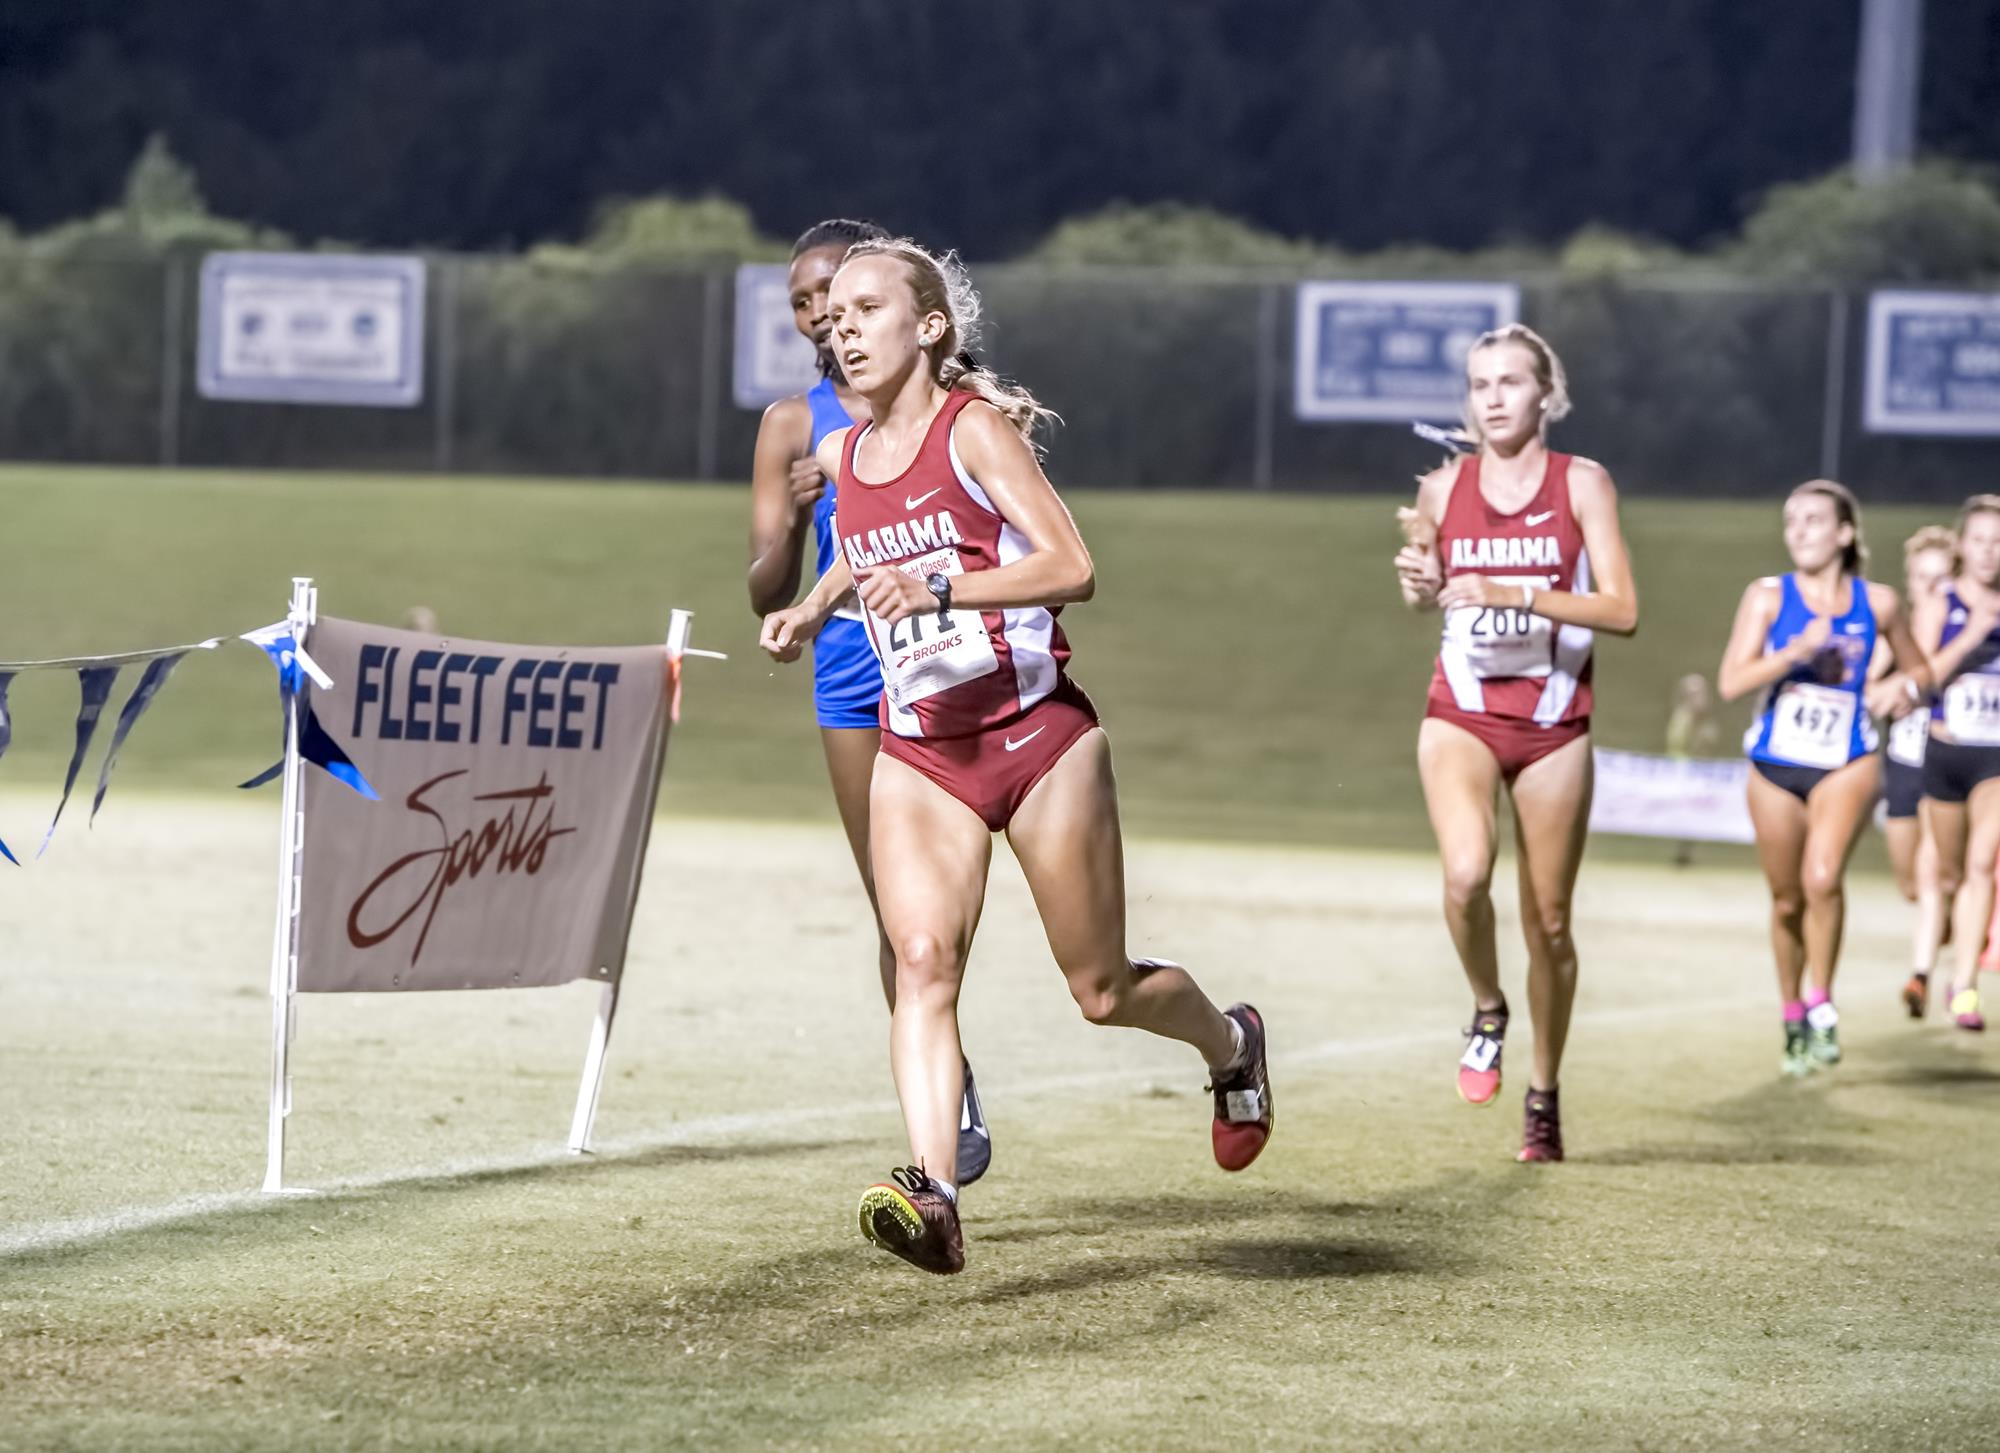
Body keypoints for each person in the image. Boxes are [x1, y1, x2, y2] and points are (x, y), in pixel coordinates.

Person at [759, 237, 1272, 1275]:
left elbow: (1070, 566)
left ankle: (1230, 1046)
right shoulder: (849, 452)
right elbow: (869, 548)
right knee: (918, 961)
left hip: (1037, 740)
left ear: (929, 327)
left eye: (867, 309)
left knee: (1100, 990)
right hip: (924, 751)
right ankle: (934, 1193)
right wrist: (816, 606)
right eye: (834, 316)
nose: (842, 327)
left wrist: (943, 591)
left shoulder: (974, 431)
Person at [746, 220, 993, 1185]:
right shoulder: (793, 423)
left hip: (959, 662)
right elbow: (765, 588)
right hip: (854, 667)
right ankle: (950, 1088)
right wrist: (803, 512)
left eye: (836, 296)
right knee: (902, 914)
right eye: (805, 302)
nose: (820, 317)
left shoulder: (949, 398)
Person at [1393, 325, 1639, 1164]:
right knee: (1466, 876)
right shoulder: (1442, 486)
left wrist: (1514, 589)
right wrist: (1420, 583)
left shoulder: (1584, 484)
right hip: (1461, 708)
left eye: (1511, 381)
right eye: (1479, 383)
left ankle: (1544, 1094)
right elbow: (1427, 592)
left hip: (1556, 720)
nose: (1493, 396)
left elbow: (1622, 609)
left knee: (1552, 921)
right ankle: (1488, 1006)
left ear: (1547, 394)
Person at [1718, 483, 1929, 1075]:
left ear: (1843, 533)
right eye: (1792, 521)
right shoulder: (1766, 597)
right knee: (1787, 899)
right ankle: (1791, 1014)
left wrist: (1900, 689)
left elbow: (1921, 674)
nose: (1800, 530)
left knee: (1822, 876)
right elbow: (1731, 682)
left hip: (1849, 757)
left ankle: (1822, 1003)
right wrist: (1794, 653)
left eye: (1814, 520)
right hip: (1776, 763)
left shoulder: (1879, 604)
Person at [1913, 495, 2000, 1033]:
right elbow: (1921, 679)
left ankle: (1965, 985)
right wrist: (1971, 638)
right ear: (1961, 545)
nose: (1990, 552)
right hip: (1946, 749)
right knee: (1947, 871)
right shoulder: (1941, 603)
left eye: (1999, 542)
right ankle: (1941, 953)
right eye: (1979, 540)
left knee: (1982, 865)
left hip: (1996, 753)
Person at [1882, 526, 1957, 1017]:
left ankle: (1925, 974)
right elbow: (1868, 689)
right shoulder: (1893, 633)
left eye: (1941, 578)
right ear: (1908, 583)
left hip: (1947, 765)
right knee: (1912, 883)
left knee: (1934, 874)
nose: (1932, 589)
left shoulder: (1968, 634)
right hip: (1903, 762)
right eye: (1922, 579)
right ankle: (1952, 930)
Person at [1665, 673, 1720, 867]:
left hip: (1699, 775)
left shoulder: (1706, 721)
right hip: (1684, 774)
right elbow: (1678, 747)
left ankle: (1685, 854)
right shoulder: (1683, 718)